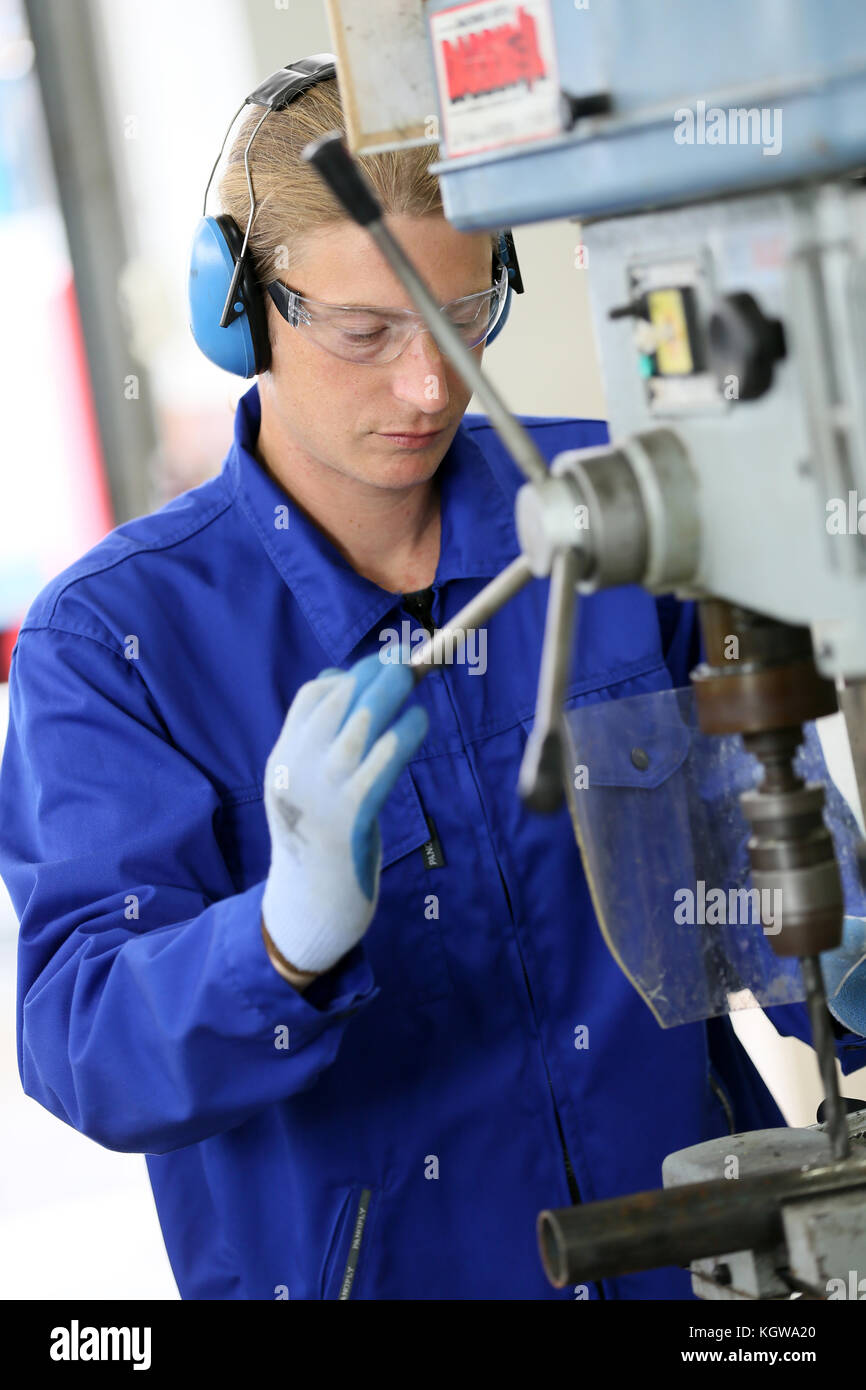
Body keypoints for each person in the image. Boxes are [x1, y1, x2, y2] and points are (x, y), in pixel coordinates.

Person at [1, 66, 865, 1303]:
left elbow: (765, 887)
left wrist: (837, 948)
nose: (429, 386)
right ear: (237, 307)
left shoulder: (624, 513)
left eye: (465, 319)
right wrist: (276, 945)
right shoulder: (116, 638)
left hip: (694, 1276)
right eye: (366, 332)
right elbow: (88, 1049)